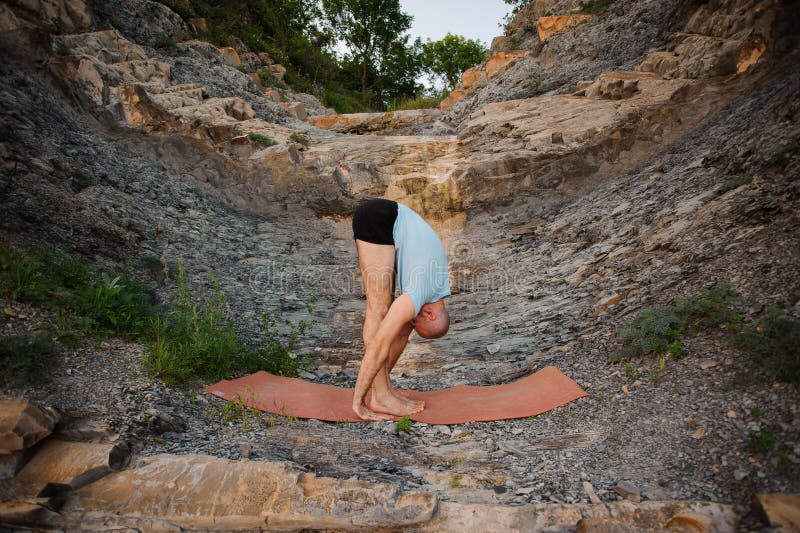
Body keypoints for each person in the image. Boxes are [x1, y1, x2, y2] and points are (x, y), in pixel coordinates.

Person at [351, 198, 451, 421]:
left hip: (389, 219)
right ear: (430, 314)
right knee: (379, 308)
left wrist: (379, 381)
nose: (413, 323)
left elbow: (401, 334)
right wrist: (359, 400)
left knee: (400, 325)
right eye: (418, 323)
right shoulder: (419, 293)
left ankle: (382, 391)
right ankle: (380, 396)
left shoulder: (439, 289)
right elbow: (380, 343)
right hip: (379, 218)